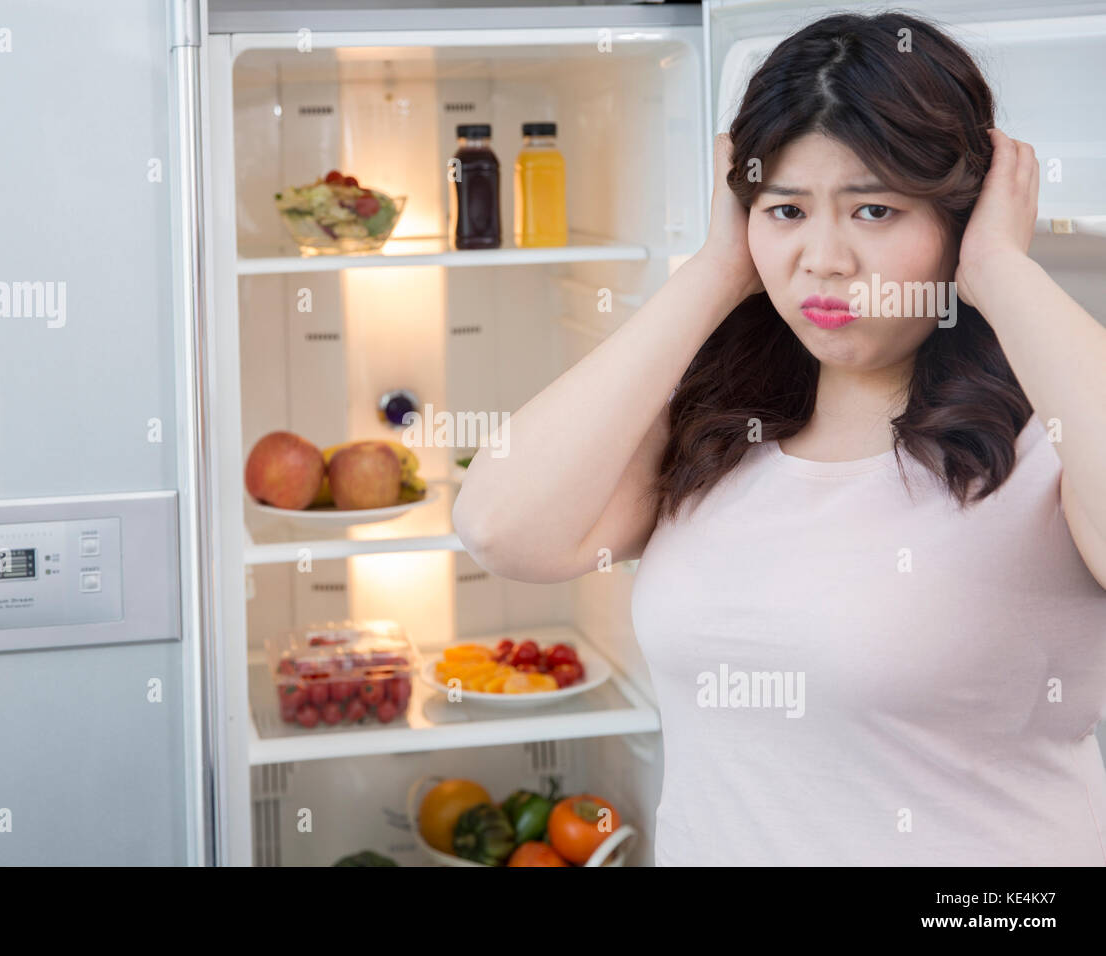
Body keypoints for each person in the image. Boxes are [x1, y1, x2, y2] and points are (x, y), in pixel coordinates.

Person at [451, 11, 1106, 865]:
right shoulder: (720, 427)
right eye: (786, 208)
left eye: (875, 208)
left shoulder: (1051, 436)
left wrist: (1001, 271)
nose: (823, 258)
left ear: (963, 214)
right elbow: (502, 527)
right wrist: (717, 270)